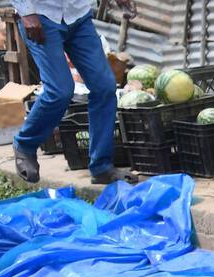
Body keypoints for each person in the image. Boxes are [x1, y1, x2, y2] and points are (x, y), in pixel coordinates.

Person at [12, 0, 133, 185]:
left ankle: (101, 167)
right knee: (59, 91)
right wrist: (26, 12)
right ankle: (25, 145)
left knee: (105, 87)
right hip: (42, 16)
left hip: (78, 15)